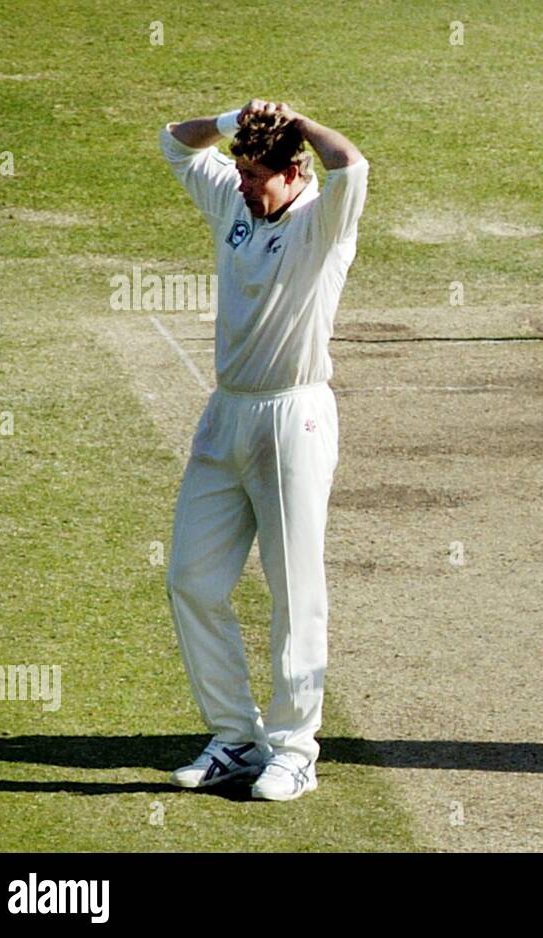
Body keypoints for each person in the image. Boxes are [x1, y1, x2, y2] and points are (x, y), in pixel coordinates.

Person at [159, 99, 367, 800]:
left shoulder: (323, 221)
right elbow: (175, 144)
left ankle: (294, 747)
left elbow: (353, 164)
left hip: (294, 414)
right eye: (241, 171)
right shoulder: (236, 199)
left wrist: (300, 122)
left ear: (292, 171)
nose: (242, 183)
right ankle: (236, 736)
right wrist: (234, 118)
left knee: (294, 590)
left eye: (256, 173)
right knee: (191, 575)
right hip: (227, 412)